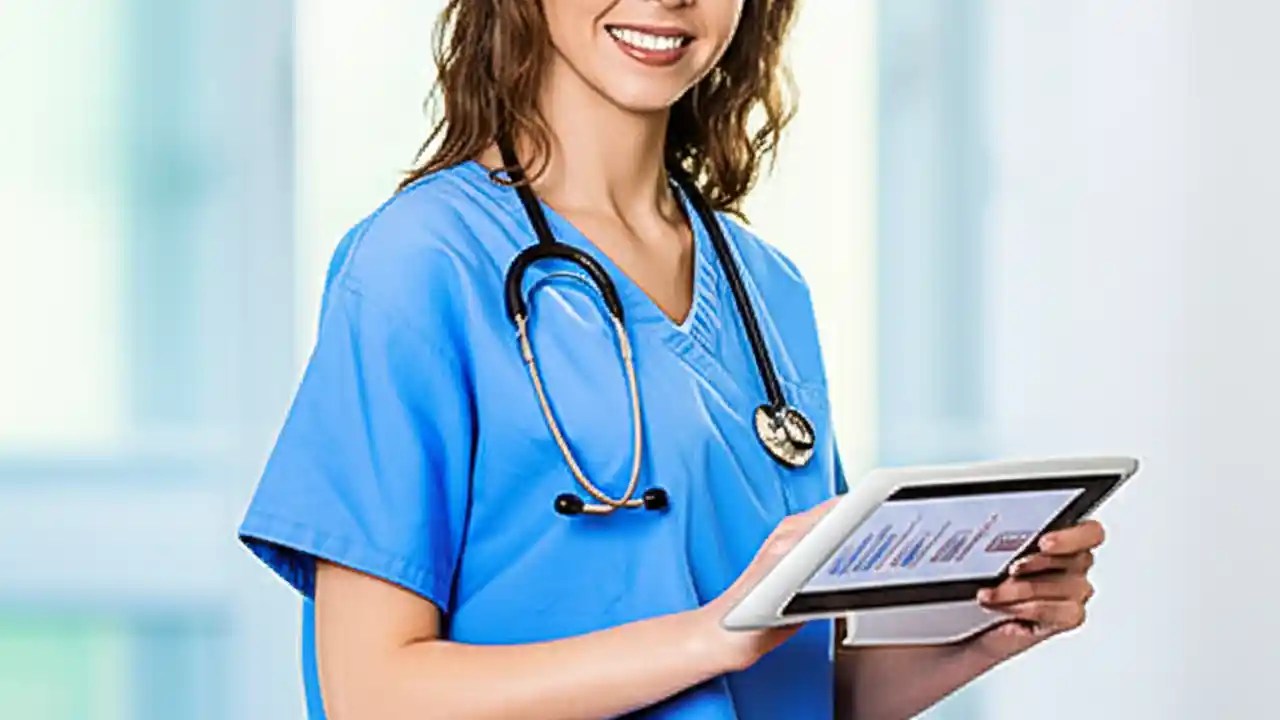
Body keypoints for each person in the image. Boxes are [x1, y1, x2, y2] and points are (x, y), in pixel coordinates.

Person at [237, 0, 1106, 718]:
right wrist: (710, 633)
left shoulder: (768, 291)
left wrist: (988, 631)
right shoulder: (422, 263)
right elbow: (373, 694)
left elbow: (789, 687)